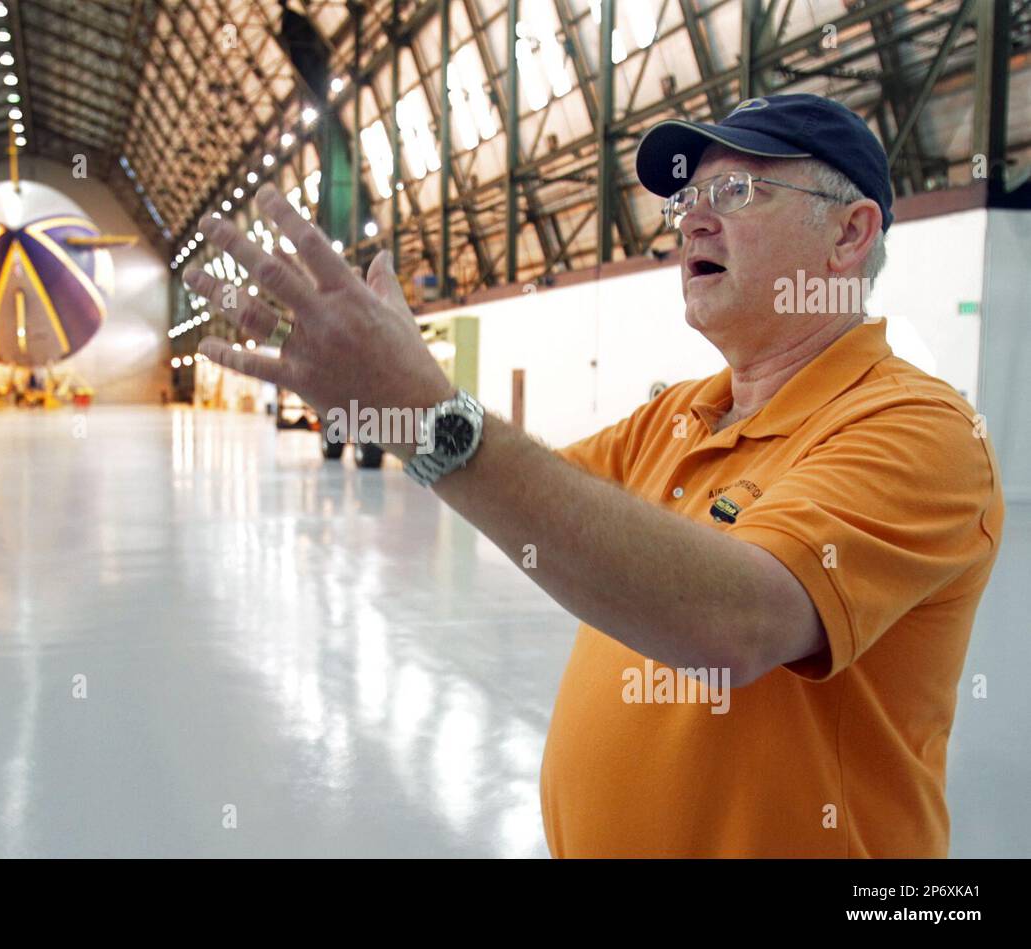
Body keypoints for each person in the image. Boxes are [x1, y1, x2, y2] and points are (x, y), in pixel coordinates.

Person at [182, 93, 1004, 858]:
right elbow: (533, 499)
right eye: (686, 203)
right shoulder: (679, 414)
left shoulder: (920, 429)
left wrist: (429, 409)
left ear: (851, 234)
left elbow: (734, 622)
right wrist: (391, 405)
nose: (693, 224)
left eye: (739, 193)